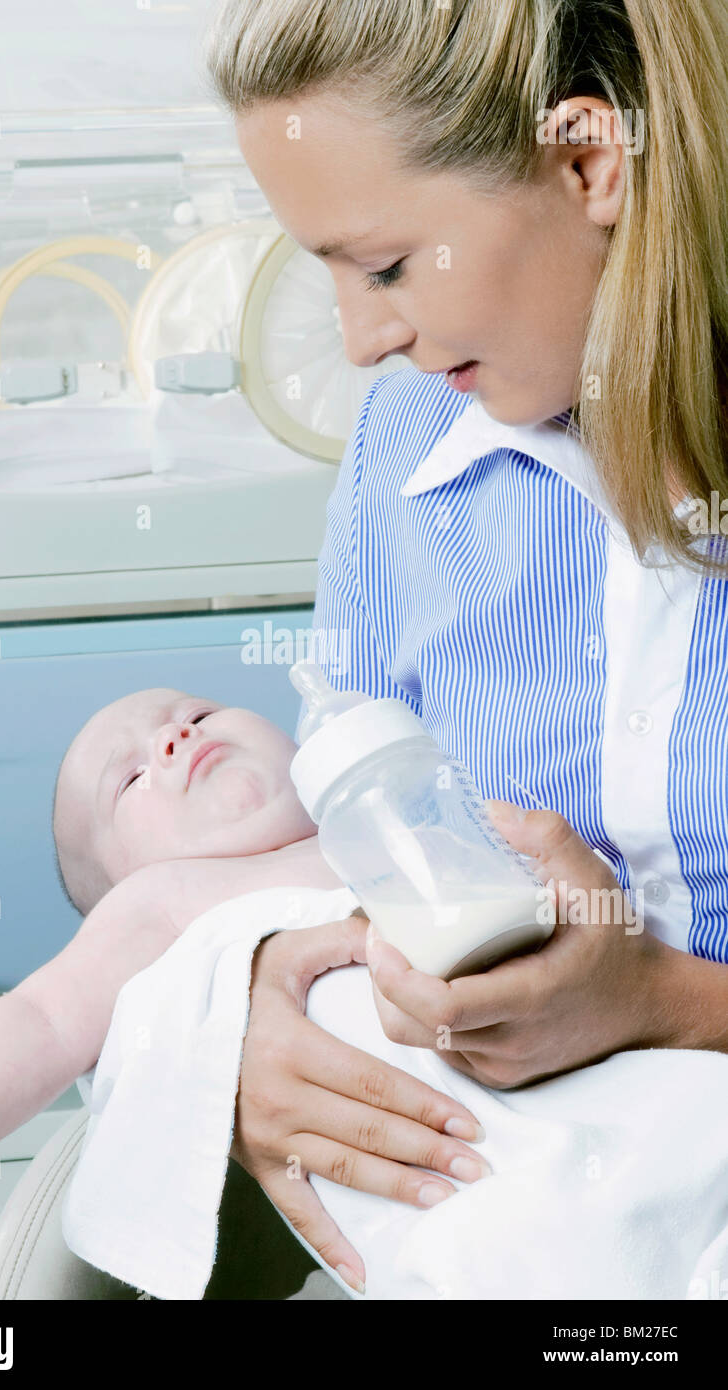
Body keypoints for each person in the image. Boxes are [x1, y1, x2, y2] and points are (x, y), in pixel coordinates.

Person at [203, 0, 728, 1286]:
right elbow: (339, 837)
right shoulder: (400, 460)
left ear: (587, 164)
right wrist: (258, 1021)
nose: (361, 338)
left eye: (383, 268)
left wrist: (664, 1004)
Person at [0, 689, 490, 1270]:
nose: (176, 737)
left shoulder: (397, 823)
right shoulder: (161, 903)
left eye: (200, 712)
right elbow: (42, 1017)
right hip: (435, 1211)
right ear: (121, 881)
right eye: (128, 779)